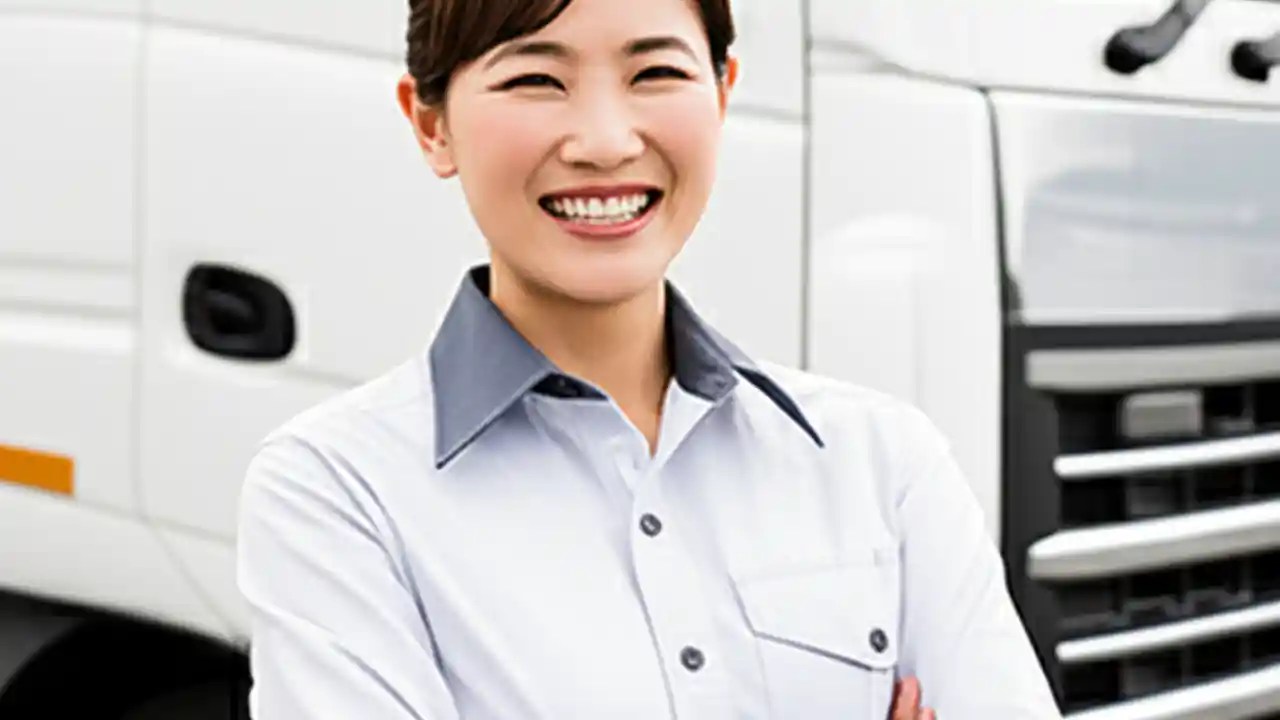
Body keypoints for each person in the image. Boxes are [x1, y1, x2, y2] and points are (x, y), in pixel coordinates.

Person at [235, 0, 1063, 717]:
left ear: (722, 92)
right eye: (536, 79)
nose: (603, 141)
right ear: (431, 122)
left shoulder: (884, 462)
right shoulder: (336, 494)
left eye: (656, 72)